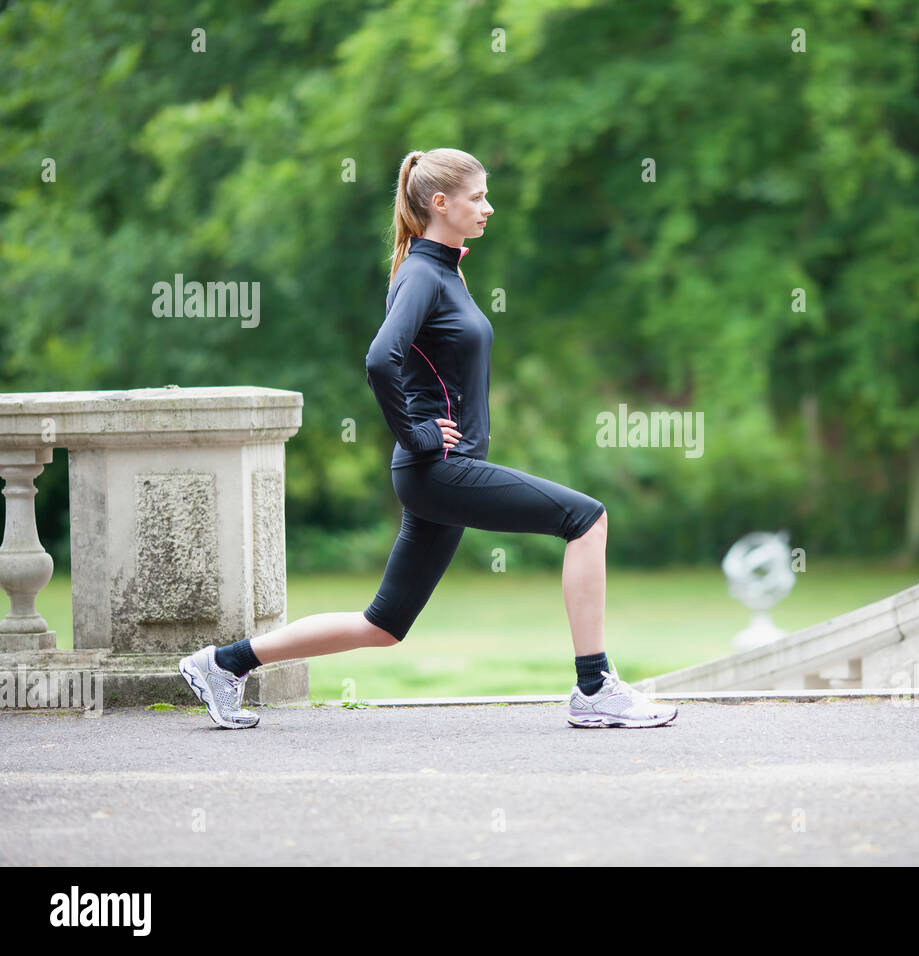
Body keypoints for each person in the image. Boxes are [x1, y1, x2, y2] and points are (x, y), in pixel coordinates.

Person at [179, 147, 679, 730]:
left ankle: (223, 664)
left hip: (435, 474)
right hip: (439, 468)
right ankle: (594, 689)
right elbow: (378, 359)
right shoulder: (422, 273)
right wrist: (416, 433)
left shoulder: (443, 270)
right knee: (587, 520)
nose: (489, 208)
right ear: (440, 203)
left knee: (383, 625)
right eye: (478, 197)